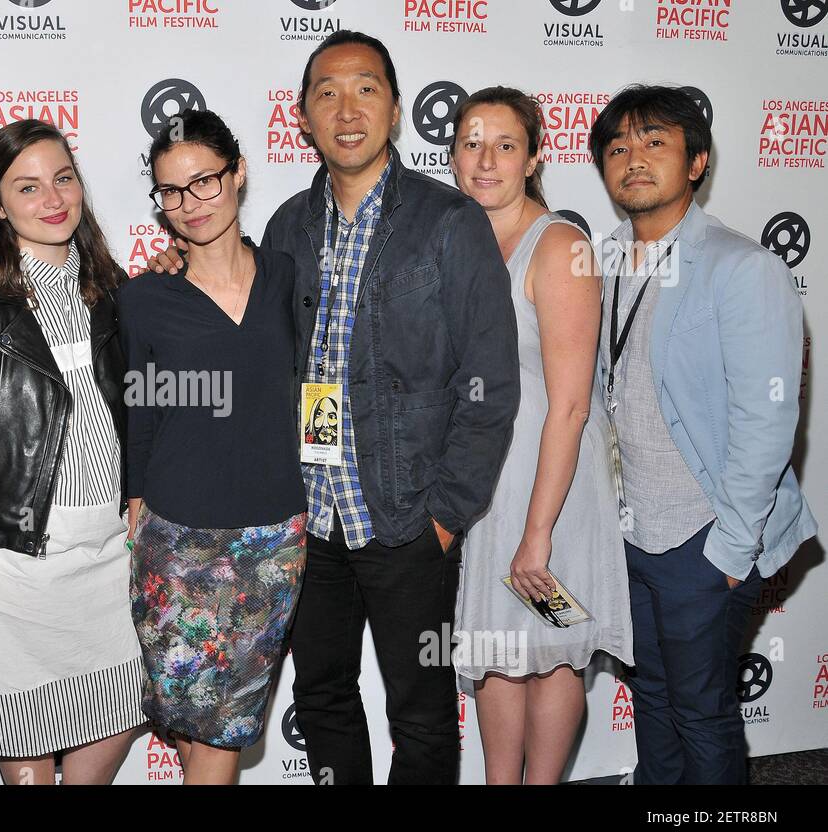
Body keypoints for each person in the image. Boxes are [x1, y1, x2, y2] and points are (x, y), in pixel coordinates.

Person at [151, 31, 520, 785]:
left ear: (395, 107)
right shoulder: (288, 226)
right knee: (322, 695)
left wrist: (445, 516)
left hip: (407, 517)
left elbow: (490, 383)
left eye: (365, 89)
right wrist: (174, 274)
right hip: (306, 518)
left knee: (420, 709)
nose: (346, 109)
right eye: (326, 92)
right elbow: (243, 335)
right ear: (302, 115)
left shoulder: (450, 222)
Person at [588, 84, 816, 784]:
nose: (634, 158)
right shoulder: (604, 262)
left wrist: (728, 549)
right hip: (632, 535)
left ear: (697, 162)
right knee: (652, 696)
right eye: (619, 146)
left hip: (704, 538)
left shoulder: (743, 267)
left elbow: (769, 416)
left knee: (703, 709)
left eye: (655, 141)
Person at [0, 119, 147, 785]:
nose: (53, 198)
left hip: (106, 556)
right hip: (4, 563)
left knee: (125, 699)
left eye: (63, 178)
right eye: (29, 186)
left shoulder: (115, 291)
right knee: (22, 730)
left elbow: (142, 408)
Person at [447, 87, 633, 784]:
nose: (485, 158)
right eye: (471, 142)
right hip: (485, 488)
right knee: (499, 646)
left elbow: (573, 405)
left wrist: (538, 530)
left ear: (533, 157)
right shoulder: (459, 242)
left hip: (550, 489)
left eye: (504, 144)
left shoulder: (560, 245)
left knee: (554, 646)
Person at [119, 109, 307, 784]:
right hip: (175, 538)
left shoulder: (288, 278)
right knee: (196, 725)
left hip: (271, 540)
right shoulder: (144, 298)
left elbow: (320, 386)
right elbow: (139, 413)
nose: (188, 204)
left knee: (224, 728)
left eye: (204, 182)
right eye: (171, 191)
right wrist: (136, 505)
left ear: (239, 175)